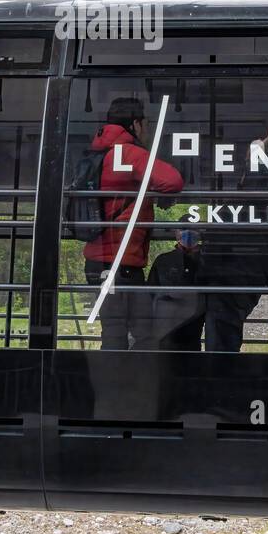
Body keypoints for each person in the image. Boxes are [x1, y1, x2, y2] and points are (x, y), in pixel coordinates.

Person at [83, 97, 183, 350]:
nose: (147, 131)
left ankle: (113, 384)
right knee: (143, 332)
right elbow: (172, 180)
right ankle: (130, 384)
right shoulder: (127, 152)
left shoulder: (99, 152)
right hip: (121, 262)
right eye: (146, 125)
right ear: (135, 124)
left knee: (114, 330)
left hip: (99, 259)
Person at [204, 121, 268, 354]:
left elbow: (218, 231)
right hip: (252, 276)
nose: (245, 164)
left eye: (249, 159)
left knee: (221, 336)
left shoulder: (251, 192)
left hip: (232, 277)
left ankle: (217, 380)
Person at [146, 219, 205, 351]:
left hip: (192, 326)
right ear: (177, 233)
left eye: (193, 230)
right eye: (183, 229)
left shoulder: (205, 262)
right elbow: (150, 293)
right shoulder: (163, 261)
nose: (188, 233)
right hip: (167, 329)